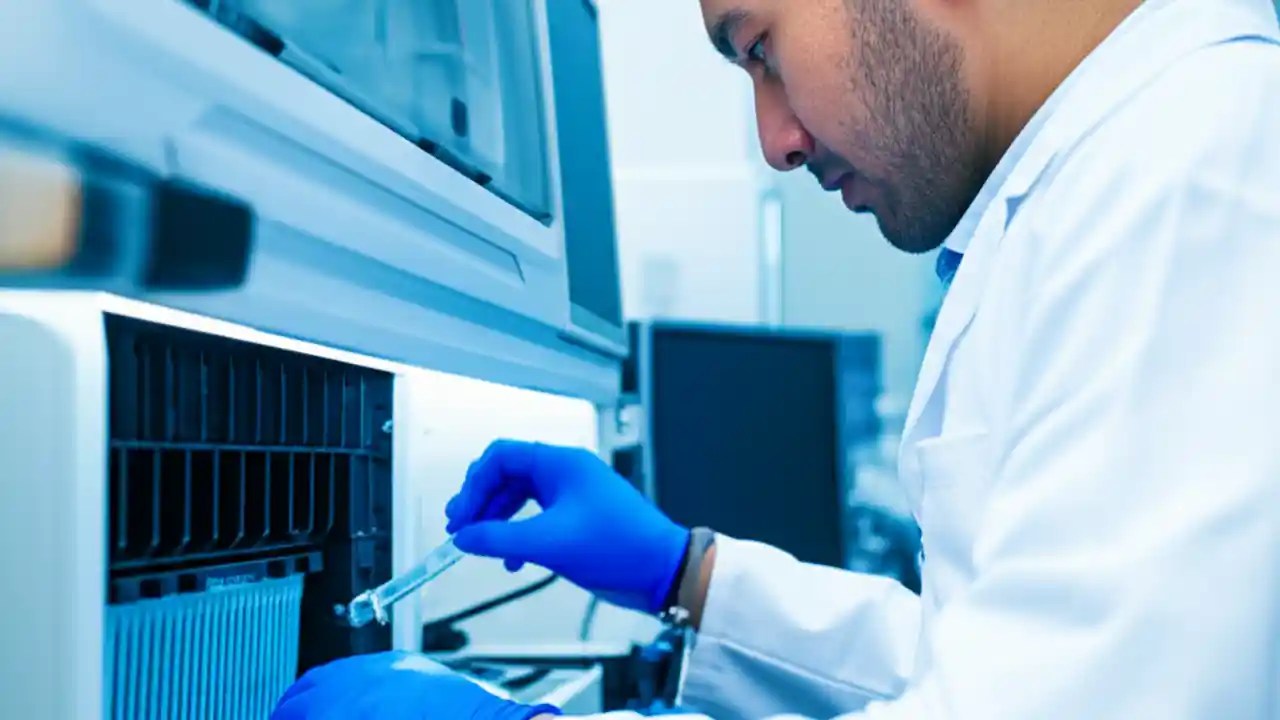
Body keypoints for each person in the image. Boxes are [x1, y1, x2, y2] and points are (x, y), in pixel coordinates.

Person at [272, 0, 1280, 717]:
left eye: (758, 47)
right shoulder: (1115, 171)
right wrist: (690, 574)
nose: (774, 142)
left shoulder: (1193, 164)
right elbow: (989, 660)